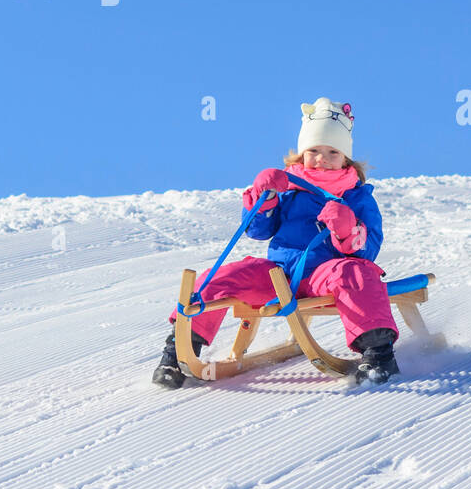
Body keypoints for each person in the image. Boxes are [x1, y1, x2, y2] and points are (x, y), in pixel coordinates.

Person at [151, 97, 398, 388]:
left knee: (357, 274)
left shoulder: (356, 196)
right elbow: (257, 230)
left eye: (332, 151)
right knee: (224, 276)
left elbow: (369, 249)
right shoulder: (288, 187)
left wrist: (347, 228)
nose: (322, 158)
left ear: (346, 159)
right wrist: (262, 198)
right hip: (278, 273)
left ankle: (379, 354)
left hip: (328, 272)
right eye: (314, 150)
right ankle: (179, 350)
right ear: (301, 153)